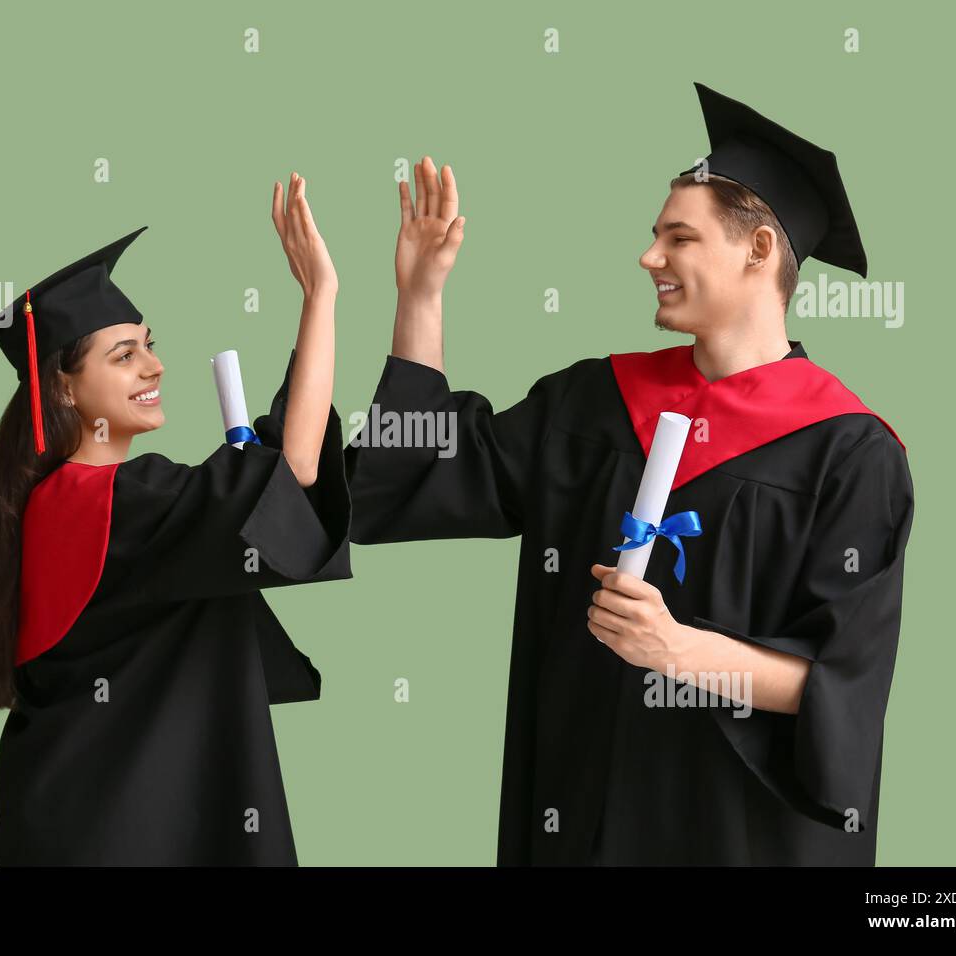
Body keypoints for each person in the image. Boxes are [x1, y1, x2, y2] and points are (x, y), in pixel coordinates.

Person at [345, 84, 915, 865]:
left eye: (679, 237)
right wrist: (420, 297)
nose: (650, 257)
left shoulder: (848, 453)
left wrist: (676, 651)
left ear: (757, 251)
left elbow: (841, 689)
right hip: (581, 813)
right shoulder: (594, 401)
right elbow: (414, 473)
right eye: (656, 236)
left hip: (733, 832)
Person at [0, 173, 350, 865]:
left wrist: (256, 466)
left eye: (149, 343)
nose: (154, 365)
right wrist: (320, 297)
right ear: (63, 384)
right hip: (135, 834)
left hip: (62, 819)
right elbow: (293, 474)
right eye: (124, 354)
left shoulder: (48, 501)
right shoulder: (123, 500)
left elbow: (252, 485)